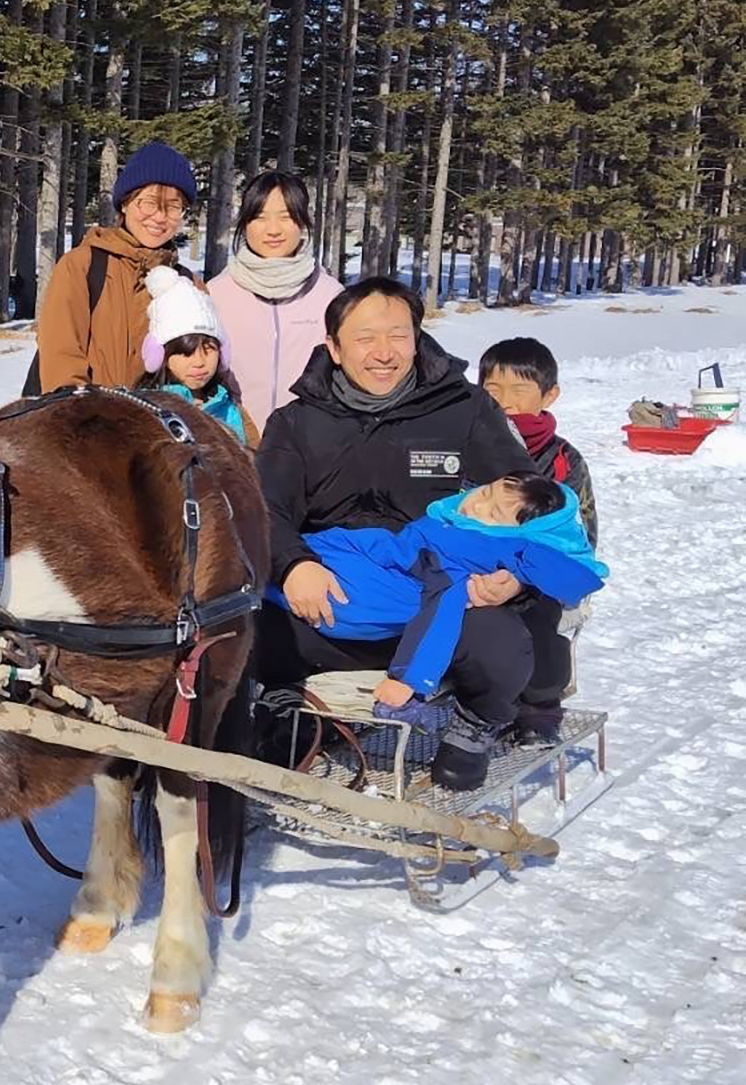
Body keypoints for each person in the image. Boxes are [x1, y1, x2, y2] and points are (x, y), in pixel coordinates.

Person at [254, 276, 542, 788]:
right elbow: (263, 509)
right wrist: (294, 565)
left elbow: (531, 502)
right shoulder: (295, 423)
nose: (383, 354)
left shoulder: (466, 409)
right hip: (331, 601)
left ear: (418, 338)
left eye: (398, 336)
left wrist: (515, 578)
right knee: (234, 629)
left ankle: (475, 724)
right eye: (365, 339)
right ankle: (286, 706)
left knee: (505, 647)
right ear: (335, 349)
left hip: (442, 607)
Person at [264, 472, 606, 788]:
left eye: (491, 512)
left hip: (356, 600)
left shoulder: (466, 550)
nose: (475, 504)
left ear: (514, 533)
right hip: (331, 568)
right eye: (484, 493)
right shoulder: (452, 527)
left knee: (497, 639)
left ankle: (477, 722)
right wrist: (293, 559)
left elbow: (439, 614)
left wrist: (408, 680)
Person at [27, 141, 199, 394]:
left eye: (173, 207)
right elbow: (60, 357)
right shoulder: (82, 267)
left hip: (159, 429)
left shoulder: (189, 284)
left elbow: (205, 368)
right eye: (149, 202)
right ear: (126, 203)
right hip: (84, 424)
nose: (160, 217)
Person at [208, 169, 343, 432]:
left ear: (302, 223)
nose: (273, 230)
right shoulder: (216, 294)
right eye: (260, 218)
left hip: (308, 445)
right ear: (245, 224)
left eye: (286, 217)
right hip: (232, 445)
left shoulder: (331, 296)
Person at [478, 338, 598, 547]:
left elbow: (579, 538)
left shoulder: (565, 460)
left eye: (519, 391)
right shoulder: (464, 446)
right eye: (493, 390)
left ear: (549, 395)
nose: (505, 402)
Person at [135, 265, 256, 445]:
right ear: (161, 356)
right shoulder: (147, 409)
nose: (199, 362)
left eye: (209, 349)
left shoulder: (227, 405)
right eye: (186, 353)